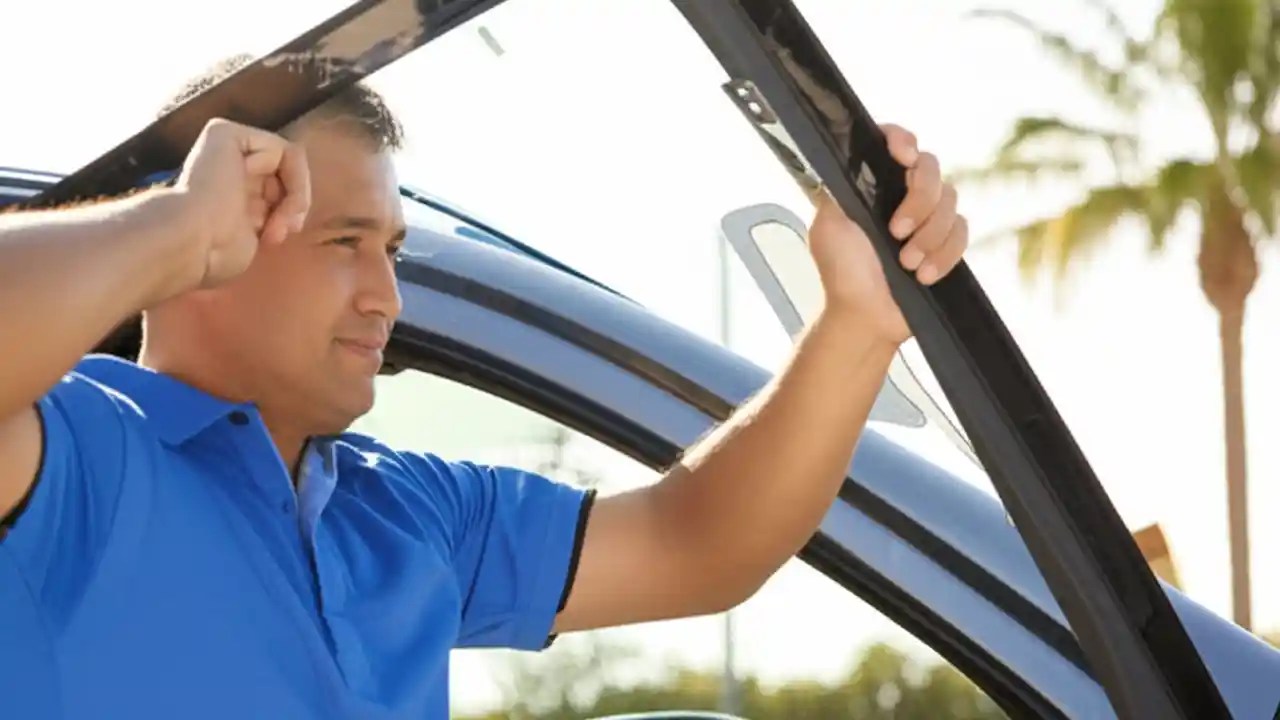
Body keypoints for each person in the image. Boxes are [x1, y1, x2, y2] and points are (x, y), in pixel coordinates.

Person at [0, 57, 968, 719]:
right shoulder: (78, 455)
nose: (386, 296)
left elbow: (697, 544)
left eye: (391, 250)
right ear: (226, 231)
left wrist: (860, 320)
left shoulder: (405, 512)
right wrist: (173, 230)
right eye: (345, 242)